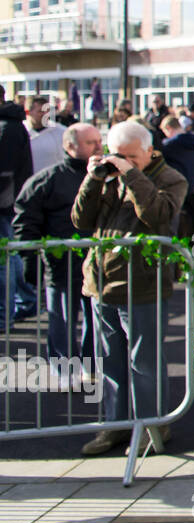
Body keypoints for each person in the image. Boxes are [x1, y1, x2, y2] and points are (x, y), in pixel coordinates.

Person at [72, 120, 187, 455]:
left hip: (143, 285)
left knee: (145, 363)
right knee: (110, 362)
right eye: (117, 155)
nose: (122, 161)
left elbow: (159, 216)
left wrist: (131, 174)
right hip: (101, 283)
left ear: (150, 151)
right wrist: (93, 180)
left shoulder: (171, 178)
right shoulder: (107, 176)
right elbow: (80, 221)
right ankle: (115, 426)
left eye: (132, 157)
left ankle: (153, 427)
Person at [13, 124, 102, 362]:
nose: (98, 146)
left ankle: (91, 367)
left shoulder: (107, 176)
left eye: (99, 140)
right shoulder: (47, 180)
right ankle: (64, 372)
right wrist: (29, 260)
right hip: (61, 265)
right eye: (91, 142)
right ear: (70, 146)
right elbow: (25, 219)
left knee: (97, 321)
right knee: (61, 320)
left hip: (98, 264)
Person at [0, 84, 37, 325]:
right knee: (10, 256)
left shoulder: (7, 128)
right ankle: (23, 301)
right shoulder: (11, 125)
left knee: (7, 258)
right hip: (9, 202)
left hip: (5, 204)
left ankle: (6, 312)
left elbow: (5, 172)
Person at [26, 96, 68, 175]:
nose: (45, 115)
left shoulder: (61, 132)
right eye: (40, 111)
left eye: (47, 111)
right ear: (28, 112)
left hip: (53, 181)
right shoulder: (20, 132)